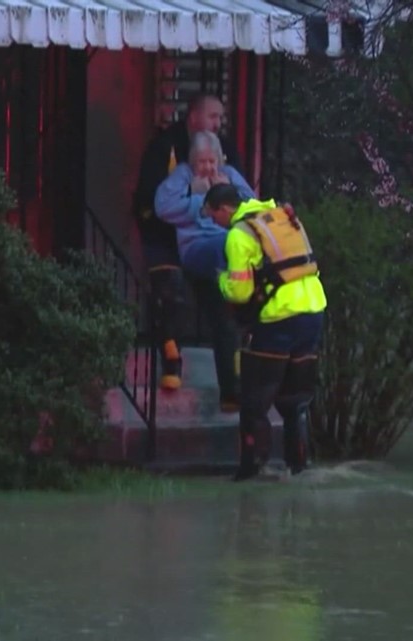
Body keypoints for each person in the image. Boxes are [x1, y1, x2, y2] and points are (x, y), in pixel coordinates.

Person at [202, 184, 327, 481]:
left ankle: (250, 470)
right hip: (314, 310)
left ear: (223, 209)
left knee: (254, 401)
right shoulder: (279, 216)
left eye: (212, 216)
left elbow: (241, 292)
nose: (213, 223)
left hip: (277, 318)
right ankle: (299, 466)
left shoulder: (238, 235)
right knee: (295, 400)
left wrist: (220, 282)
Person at [132, 94, 243, 392]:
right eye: (213, 117)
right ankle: (171, 360)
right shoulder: (165, 149)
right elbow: (155, 203)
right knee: (170, 292)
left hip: (214, 241)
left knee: (224, 310)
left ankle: (233, 385)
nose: (219, 123)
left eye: (221, 118)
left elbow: (246, 201)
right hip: (168, 236)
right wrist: (200, 204)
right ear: (193, 117)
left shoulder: (227, 156)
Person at [154, 132, 255, 411]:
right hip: (197, 246)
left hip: (226, 252)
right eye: (202, 162)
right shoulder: (183, 176)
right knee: (233, 242)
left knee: (226, 319)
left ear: (220, 159)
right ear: (192, 161)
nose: (208, 167)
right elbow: (163, 208)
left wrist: (229, 193)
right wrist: (200, 199)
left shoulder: (229, 174)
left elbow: (253, 204)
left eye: (212, 161)